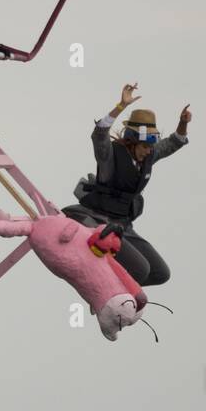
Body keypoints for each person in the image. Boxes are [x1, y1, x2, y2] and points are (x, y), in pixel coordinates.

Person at [63, 83, 192, 288]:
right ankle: (101, 287)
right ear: (131, 142)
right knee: (140, 270)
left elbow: (173, 143)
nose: (149, 151)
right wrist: (120, 106)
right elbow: (99, 135)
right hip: (97, 222)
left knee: (159, 273)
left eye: (151, 147)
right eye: (144, 147)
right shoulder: (110, 157)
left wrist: (182, 123)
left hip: (122, 225)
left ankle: (107, 286)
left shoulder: (148, 155)